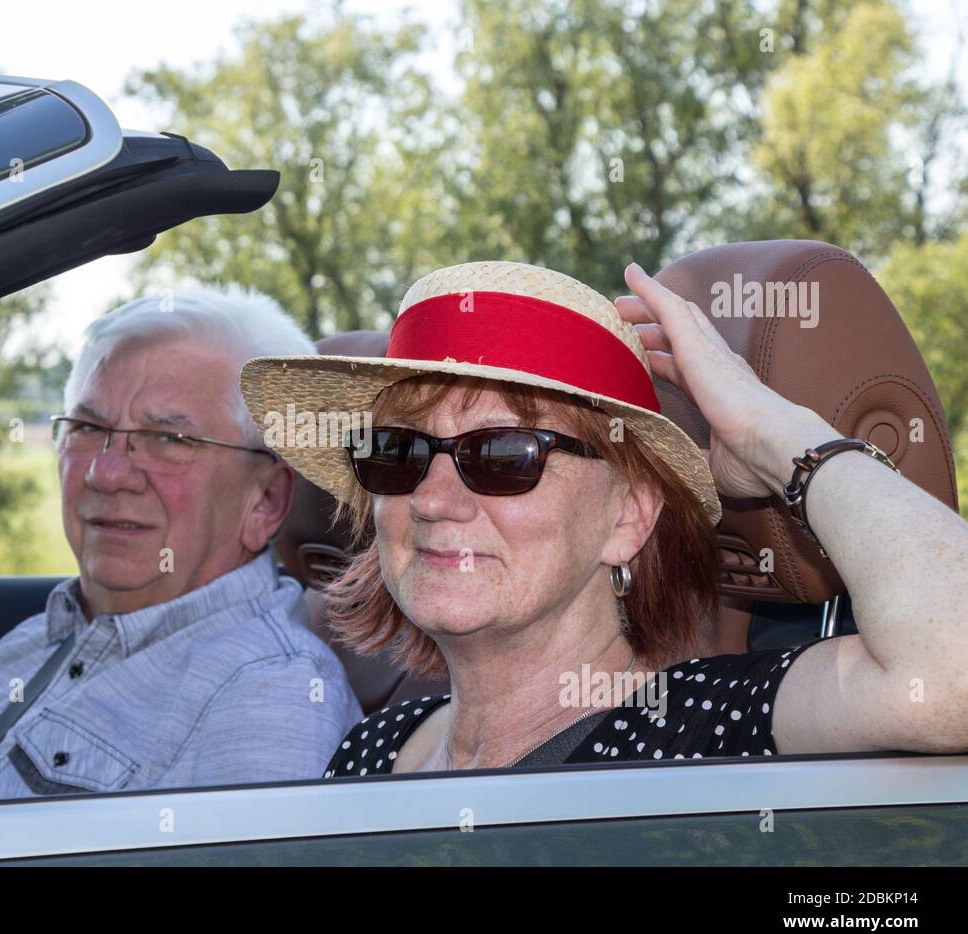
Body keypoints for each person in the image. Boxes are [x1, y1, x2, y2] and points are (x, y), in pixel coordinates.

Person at [237, 260, 968, 776]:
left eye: (504, 454)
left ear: (630, 516)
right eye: (397, 453)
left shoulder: (705, 728)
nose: (431, 498)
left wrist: (778, 437)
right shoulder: (374, 752)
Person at [0, 288, 361, 806]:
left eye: (169, 439)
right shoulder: (30, 643)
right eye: (87, 427)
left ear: (264, 499)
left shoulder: (272, 702)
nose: (106, 473)